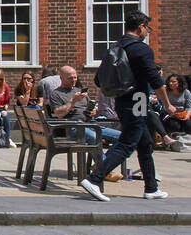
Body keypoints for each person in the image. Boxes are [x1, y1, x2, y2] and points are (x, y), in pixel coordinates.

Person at [82, 11, 176, 201]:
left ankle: (151, 188)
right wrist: (168, 105)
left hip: (122, 100)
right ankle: (94, 179)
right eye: (147, 28)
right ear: (141, 27)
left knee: (145, 142)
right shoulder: (142, 49)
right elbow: (156, 81)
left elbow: (98, 80)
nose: (147, 32)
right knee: (127, 143)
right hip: (138, 99)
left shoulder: (116, 47)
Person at [160, 74, 191, 142]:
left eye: (173, 81)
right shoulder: (166, 92)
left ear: (179, 82)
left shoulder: (186, 92)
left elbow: (189, 107)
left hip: (183, 114)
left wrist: (187, 116)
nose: (170, 83)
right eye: (169, 81)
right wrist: (172, 114)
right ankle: (173, 141)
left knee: (189, 124)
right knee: (174, 125)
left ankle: (186, 141)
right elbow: (163, 105)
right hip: (170, 115)